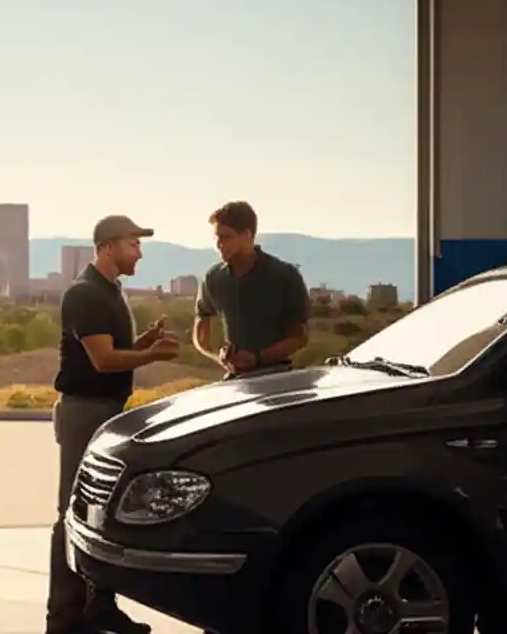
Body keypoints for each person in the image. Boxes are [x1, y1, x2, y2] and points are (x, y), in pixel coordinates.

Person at [46, 215, 180, 634]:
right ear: (107, 247)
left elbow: (113, 351)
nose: (139, 251)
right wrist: (153, 357)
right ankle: (65, 615)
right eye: (132, 244)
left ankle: (99, 608)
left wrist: (141, 346)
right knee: (72, 512)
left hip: (106, 408)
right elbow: (102, 361)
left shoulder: (110, 291)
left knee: (102, 514)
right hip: (85, 409)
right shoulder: (84, 294)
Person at [192, 201, 310, 379]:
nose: (219, 244)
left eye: (226, 237)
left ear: (247, 234)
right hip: (235, 379)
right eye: (217, 237)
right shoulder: (214, 278)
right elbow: (201, 330)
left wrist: (258, 358)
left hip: (277, 376)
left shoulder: (283, 275)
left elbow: (299, 337)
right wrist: (220, 357)